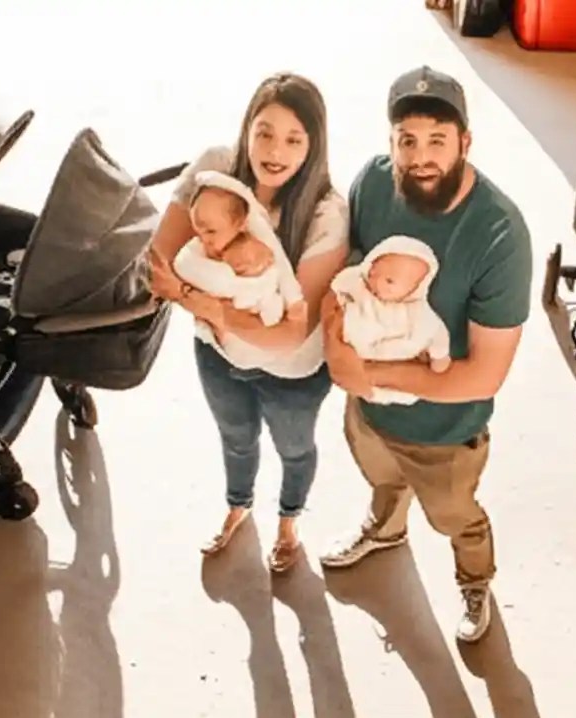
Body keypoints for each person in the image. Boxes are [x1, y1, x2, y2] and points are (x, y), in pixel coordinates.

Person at [318, 66, 533, 643]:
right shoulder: (373, 181)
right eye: (406, 140)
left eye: (438, 140)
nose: (421, 157)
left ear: (466, 142)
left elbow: (484, 375)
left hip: (443, 428)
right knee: (382, 479)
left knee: (454, 516)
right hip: (369, 410)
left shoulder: (499, 234)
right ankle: (385, 530)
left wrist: (360, 370)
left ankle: (475, 578)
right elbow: (348, 273)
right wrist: (337, 343)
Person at [148, 72, 350, 573]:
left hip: (294, 373)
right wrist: (211, 306)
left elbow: (291, 333)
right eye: (264, 132)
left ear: (314, 144)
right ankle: (238, 506)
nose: (275, 150)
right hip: (218, 354)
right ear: (247, 129)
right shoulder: (216, 171)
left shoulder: (326, 211)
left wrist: (205, 302)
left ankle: (288, 522)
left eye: (293, 139)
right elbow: (158, 264)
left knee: (295, 447)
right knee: (235, 437)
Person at [328, 233, 451, 405]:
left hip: (396, 356)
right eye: (373, 272)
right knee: (352, 322)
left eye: (390, 281)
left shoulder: (418, 311)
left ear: (414, 289)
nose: (377, 281)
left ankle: (378, 391)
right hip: (360, 349)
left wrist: (440, 356)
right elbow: (338, 287)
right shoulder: (361, 287)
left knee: (413, 353)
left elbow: (437, 332)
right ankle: (369, 389)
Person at [173, 170, 303, 331]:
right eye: (198, 230)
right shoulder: (199, 247)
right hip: (225, 309)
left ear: (240, 224)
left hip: (260, 301)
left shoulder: (256, 243)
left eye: (211, 231)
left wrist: (293, 299)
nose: (203, 239)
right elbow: (183, 264)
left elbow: (281, 266)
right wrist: (227, 278)